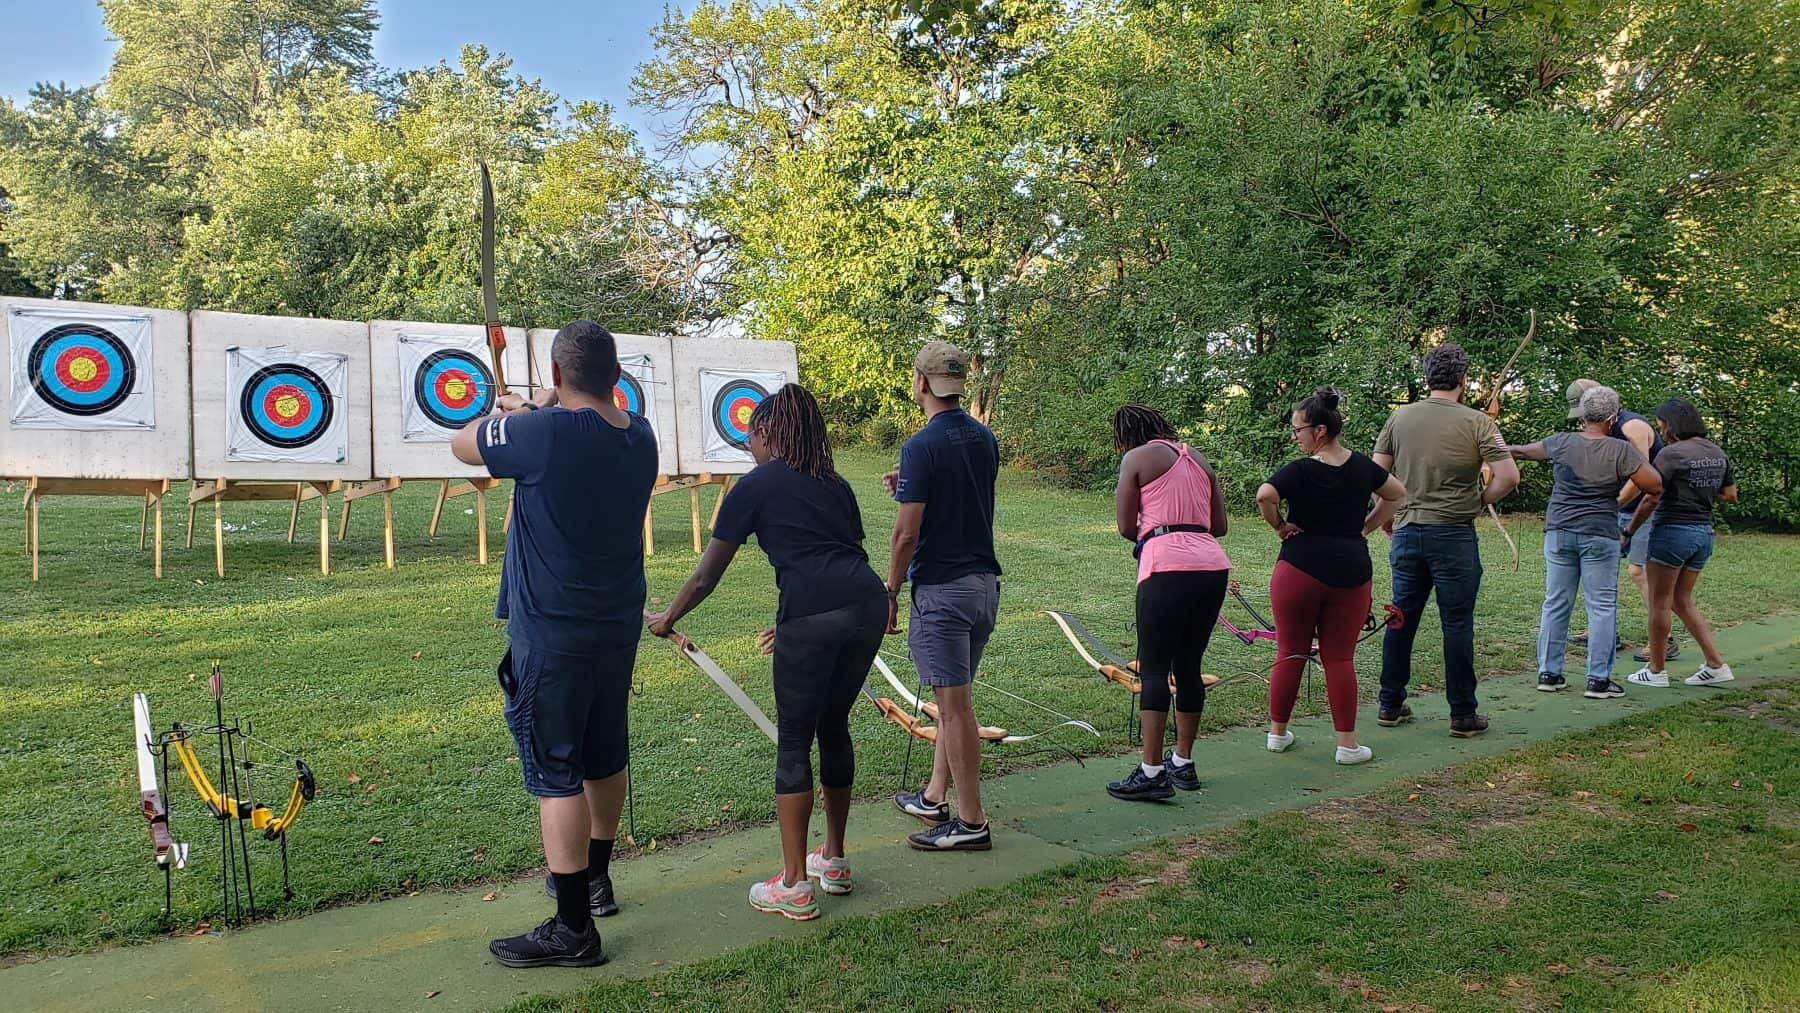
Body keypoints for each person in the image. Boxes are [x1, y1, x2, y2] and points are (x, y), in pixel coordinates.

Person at [450, 320, 658, 968]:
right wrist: (542, 408)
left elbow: (463, 444)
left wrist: (530, 407)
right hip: (614, 628)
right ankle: (595, 878)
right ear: (616, 377)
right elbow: (579, 426)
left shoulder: (543, 432)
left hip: (554, 634)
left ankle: (573, 927)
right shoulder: (641, 434)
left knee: (558, 773)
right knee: (604, 755)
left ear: (559, 376)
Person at [646, 384, 886, 921]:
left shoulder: (755, 486)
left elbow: (708, 574)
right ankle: (836, 861)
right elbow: (838, 556)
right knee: (835, 726)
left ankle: (795, 884)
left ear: (768, 433)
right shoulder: (836, 483)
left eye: (751, 436)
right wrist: (798, 626)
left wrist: (668, 619)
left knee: (795, 741)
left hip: (816, 616)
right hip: (864, 605)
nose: (749, 447)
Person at [884, 340, 1001, 851]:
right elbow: (958, 492)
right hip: (983, 588)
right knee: (952, 701)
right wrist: (907, 485)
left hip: (943, 592)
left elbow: (905, 536)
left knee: (954, 710)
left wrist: (890, 589)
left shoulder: (921, 446)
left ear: (923, 384)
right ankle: (935, 797)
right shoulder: (984, 438)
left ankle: (971, 822)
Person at [1372, 343, 1520, 738]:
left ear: (1427, 379)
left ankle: (1389, 703)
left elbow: (1375, 476)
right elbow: (1508, 476)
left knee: (1401, 618)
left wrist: (1390, 514)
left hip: (1407, 530)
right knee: (1456, 622)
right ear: (1463, 380)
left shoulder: (1399, 418)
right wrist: (1477, 501)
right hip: (1453, 533)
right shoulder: (1477, 422)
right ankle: (1462, 714)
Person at [1255, 388, 1406, 764]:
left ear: (1319, 431)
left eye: (1298, 429)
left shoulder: (1299, 470)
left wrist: (1279, 527)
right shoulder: (1362, 467)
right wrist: (1366, 527)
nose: (1295, 436)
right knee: (1339, 658)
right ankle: (1347, 745)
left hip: (1298, 568)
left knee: (1289, 651)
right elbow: (1397, 494)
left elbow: (1264, 496)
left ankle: (1277, 734)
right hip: (1350, 569)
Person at [1104, 404, 1233, 800]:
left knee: (1155, 668)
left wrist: (1154, 529)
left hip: (1166, 565)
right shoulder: (1198, 457)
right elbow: (1221, 525)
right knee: (1190, 665)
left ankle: (1151, 771)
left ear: (1126, 435)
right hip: (1211, 564)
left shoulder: (1137, 458)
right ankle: (1183, 762)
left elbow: (1127, 525)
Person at [1509, 386, 1663, 700]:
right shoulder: (1620, 450)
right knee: (1602, 606)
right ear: (1613, 417)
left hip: (1560, 531)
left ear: (1582, 416)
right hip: (1599, 533)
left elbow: (1522, 451)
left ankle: (1549, 673)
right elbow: (1655, 484)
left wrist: (1487, 442)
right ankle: (1598, 680)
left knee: (1555, 602)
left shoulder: (1561, 442)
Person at [1623, 398, 1738, 689]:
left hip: (1672, 532)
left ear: (1672, 425)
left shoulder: (1672, 455)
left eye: (1661, 425)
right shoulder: (1717, 452)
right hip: (1703, 534)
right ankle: (1715, 664)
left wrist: (1629, 531)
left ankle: (1656, 670)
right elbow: (1730, 495)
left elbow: (1651, 495)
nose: (1660, 430)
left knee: (1659, 603)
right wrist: (1702, 492)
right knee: (1681, 601)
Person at [1564, 378, 1676, 662]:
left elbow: (1641, 476)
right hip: (1619, 508)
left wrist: (1611, 504)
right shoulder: (1603, 429)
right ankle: (1604, 631)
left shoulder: (1631, 427)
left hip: (1648, 508)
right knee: (1600, 566)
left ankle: (1666, 640)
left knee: (1639, 571)